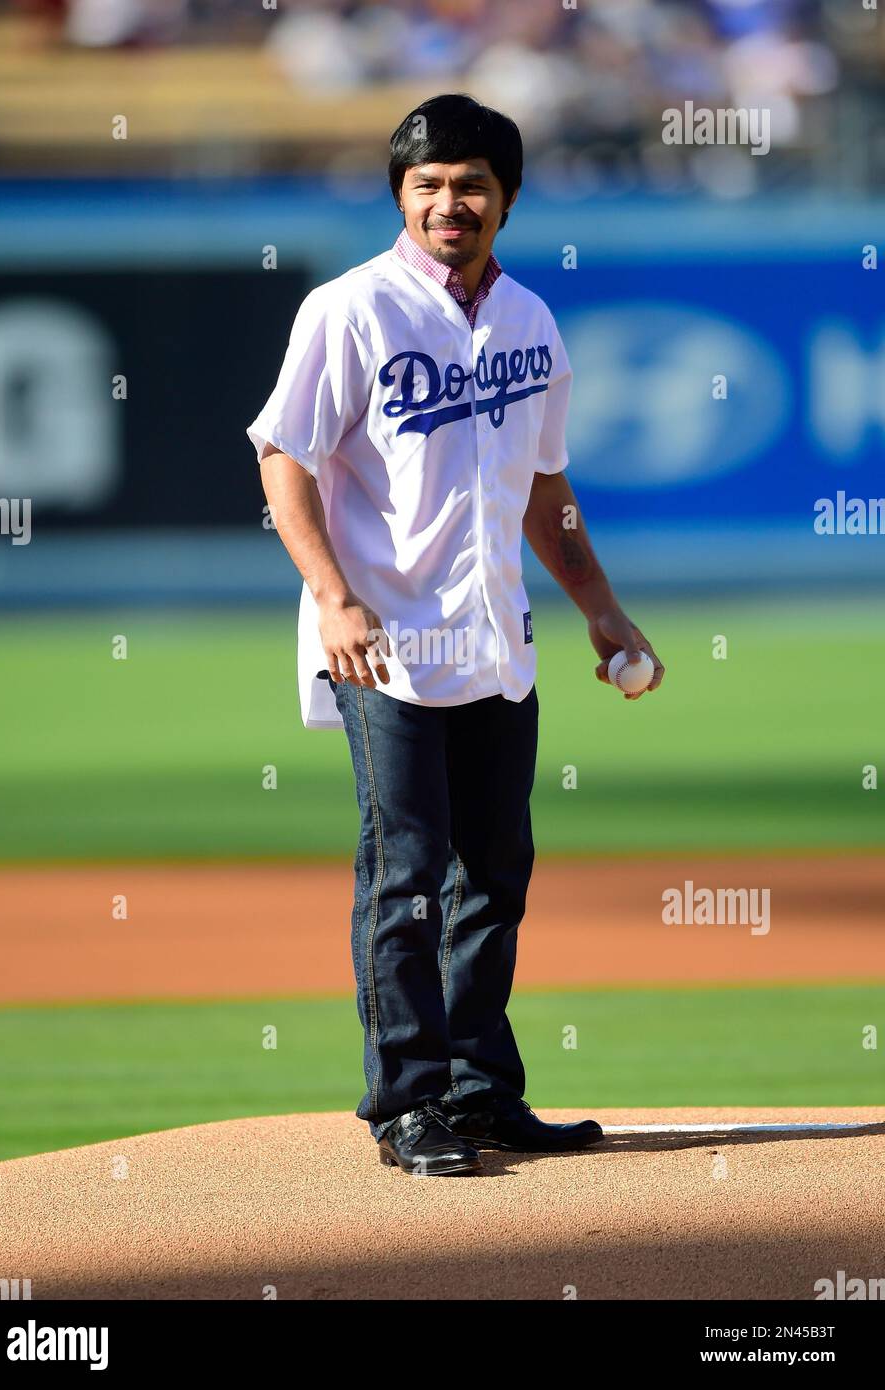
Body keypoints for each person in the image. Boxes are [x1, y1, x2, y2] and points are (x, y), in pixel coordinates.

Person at [247, 93, 664, 1177]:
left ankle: (481, 1090)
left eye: (471, 183)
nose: (449, 201)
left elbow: (545, 485)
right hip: (382, 641)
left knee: (496, 872)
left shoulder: (527, 318)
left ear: (506, 200)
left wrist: (601, 607)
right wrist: (332, 596)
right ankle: (406, 1101)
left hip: (494, 640)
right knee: (407, 873)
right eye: (427, 183)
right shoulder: (351, 310)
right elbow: (282, 456)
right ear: (400, 196)